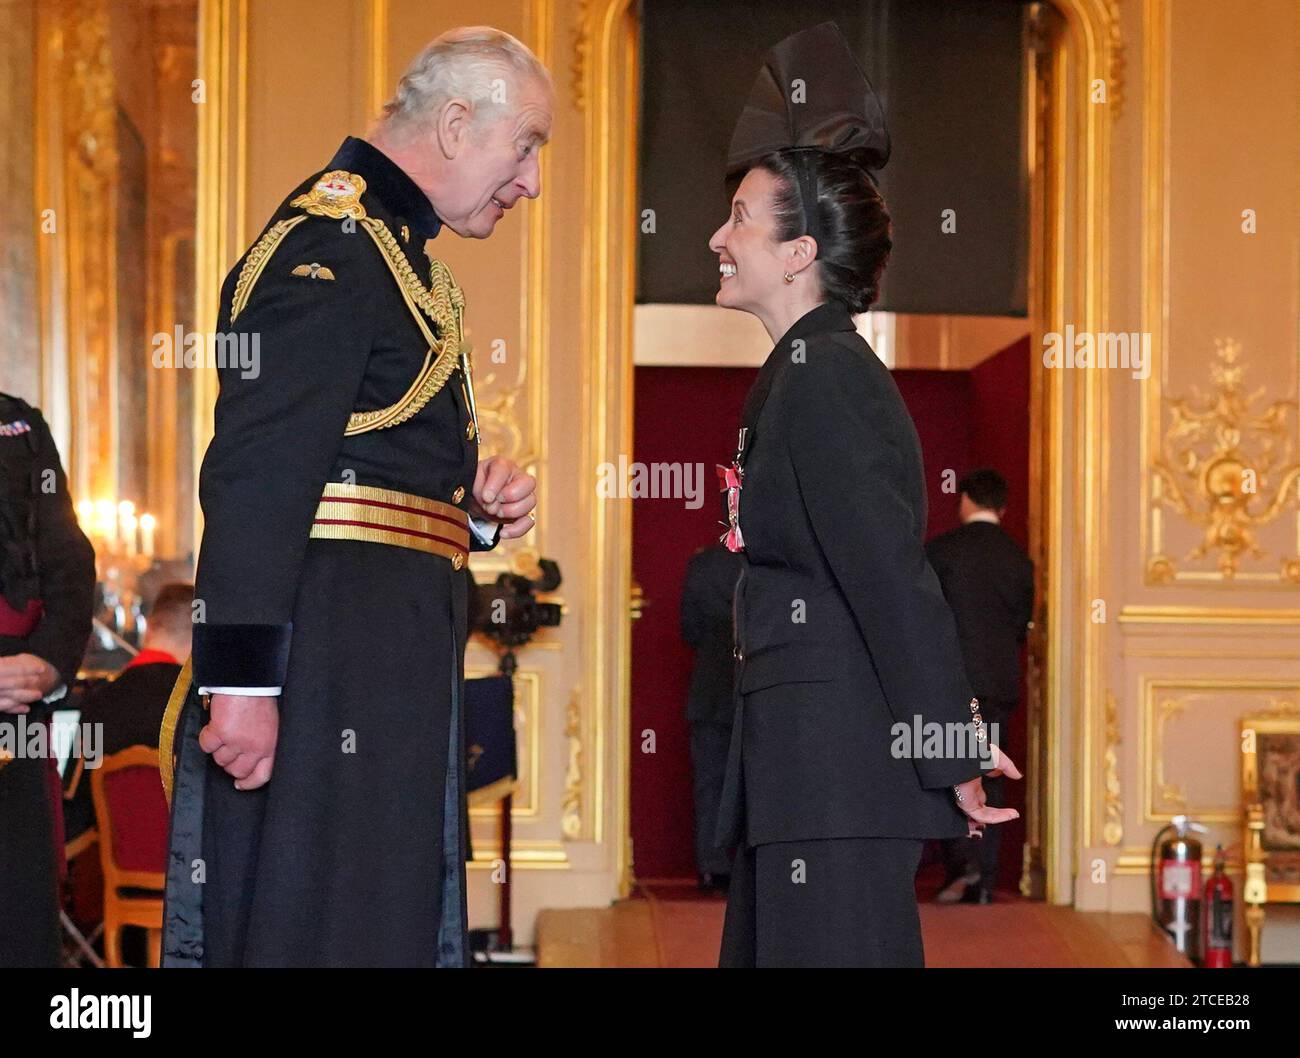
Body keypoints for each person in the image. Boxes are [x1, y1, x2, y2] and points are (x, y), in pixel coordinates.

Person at [160, 26, 546, 967]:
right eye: (527, 144)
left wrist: (476, 515)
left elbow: (373, 485)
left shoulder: (396, 254)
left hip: (379, 661)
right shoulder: (329, 247)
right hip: (323, 663)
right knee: (315, 924)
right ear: (456, 125)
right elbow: (259, 474)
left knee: (374, 922)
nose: (533, 181)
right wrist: (243, 684)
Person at [708, 22, 1021, 968]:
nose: (717, 238)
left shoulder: (828, 375)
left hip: (832, 779)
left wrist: (949, 743)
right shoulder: (804, 368)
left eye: (739, 219)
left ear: (799, 251)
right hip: (807, 774)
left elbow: (891, 582)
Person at [0, 391, 96, 967]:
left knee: (19, 919)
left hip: (15, 703)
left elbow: (69, 562)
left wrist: (53, 663)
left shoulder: (20, 425)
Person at [926, 469, 1035, 904]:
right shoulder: (1018, 559)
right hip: (998, 683)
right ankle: (985, 879)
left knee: (949, 769)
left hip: (950, 683)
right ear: (1004, 507)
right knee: (995, 772)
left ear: (965, 500)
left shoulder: (942, 552)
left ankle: (961, 868)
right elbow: (1020, 627)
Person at [64, 583, 193, 845]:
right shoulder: (199, 705)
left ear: (149, 629)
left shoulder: (98, 702)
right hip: (188, 864)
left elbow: (75, 801)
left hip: (113, 870)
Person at [680, 543, 744, 891]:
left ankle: (712, 866)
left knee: (711, 783)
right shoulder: (773, 560)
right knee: (761, 782)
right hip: (760, 690)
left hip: (710, 690)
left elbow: (688, 629)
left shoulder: (703, 564)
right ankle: (758, 868)